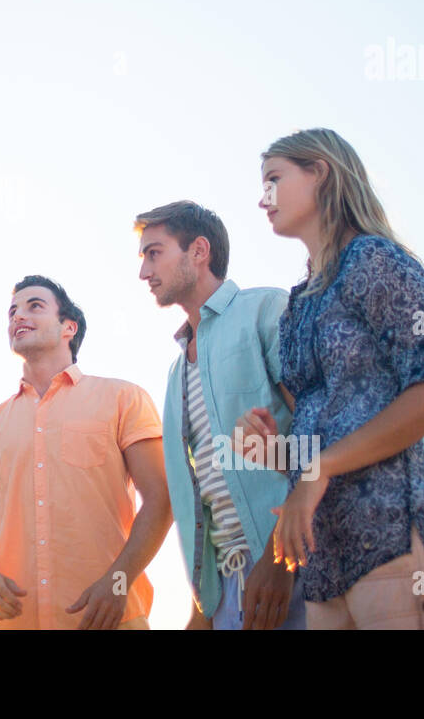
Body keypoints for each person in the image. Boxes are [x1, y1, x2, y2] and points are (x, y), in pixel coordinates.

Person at [246, 128, 424, 629]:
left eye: (273, 179)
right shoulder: (299, 304)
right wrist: (277, 451)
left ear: (320, 172)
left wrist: (319, 466)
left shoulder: (373, 260)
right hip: (326, 570)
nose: (262, 198)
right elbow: (331, 431)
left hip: (398, 549)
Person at [0, 275, 171, 629]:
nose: (17, 317)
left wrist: (118, 581)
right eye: (12, 311)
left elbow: (161, 499)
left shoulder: (123, 398)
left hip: (111, 619)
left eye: (34, 306)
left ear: (68, 327)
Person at [135, 201, 306, 630]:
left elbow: (326, 439)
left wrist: (279, 563)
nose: (143, 272)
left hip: (293, 569)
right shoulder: (176, 375)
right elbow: (202, 498)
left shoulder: (267, 310)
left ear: (198, 250)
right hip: (224, 595)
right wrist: (201, 608)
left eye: (154, 253)